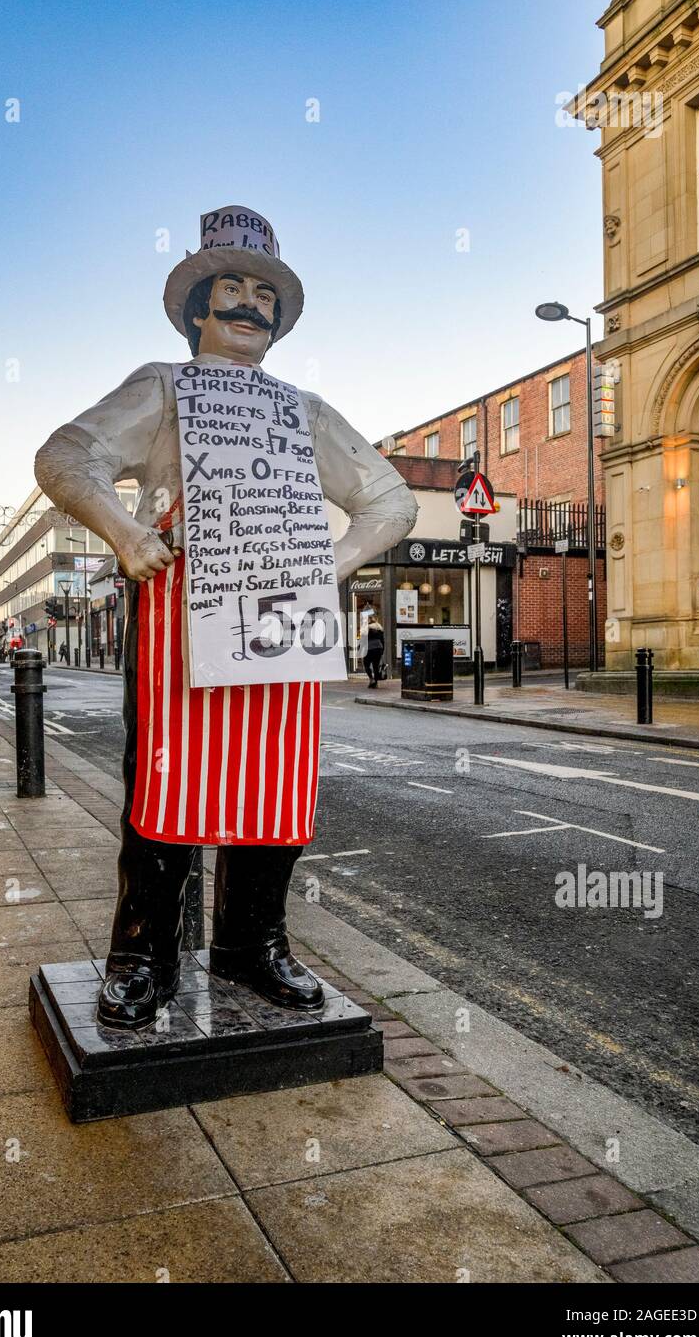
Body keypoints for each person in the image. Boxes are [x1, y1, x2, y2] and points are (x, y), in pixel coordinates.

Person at [35, 204, 417, 1029]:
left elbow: (389, 500)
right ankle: (143, 951)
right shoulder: (161, 386)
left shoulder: (307, 410)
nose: (249, 304)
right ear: (198, 307)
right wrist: (129, 533)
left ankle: (253, 944)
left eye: (263, 293)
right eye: (232, 288)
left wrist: (332, 564)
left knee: (275, 788)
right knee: (168, 787)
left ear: (278, 318)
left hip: (284, 619)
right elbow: (65, 456)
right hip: (182, 617)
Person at [361, 610, 385, 688]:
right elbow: (382, 640)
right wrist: (382, 651)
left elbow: (363, 640)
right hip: (378, 648)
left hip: (369, 648)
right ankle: (376, 683)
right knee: (376, 666)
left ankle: (371, 679)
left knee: (366, 664)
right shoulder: (380, 628)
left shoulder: (366, 628)